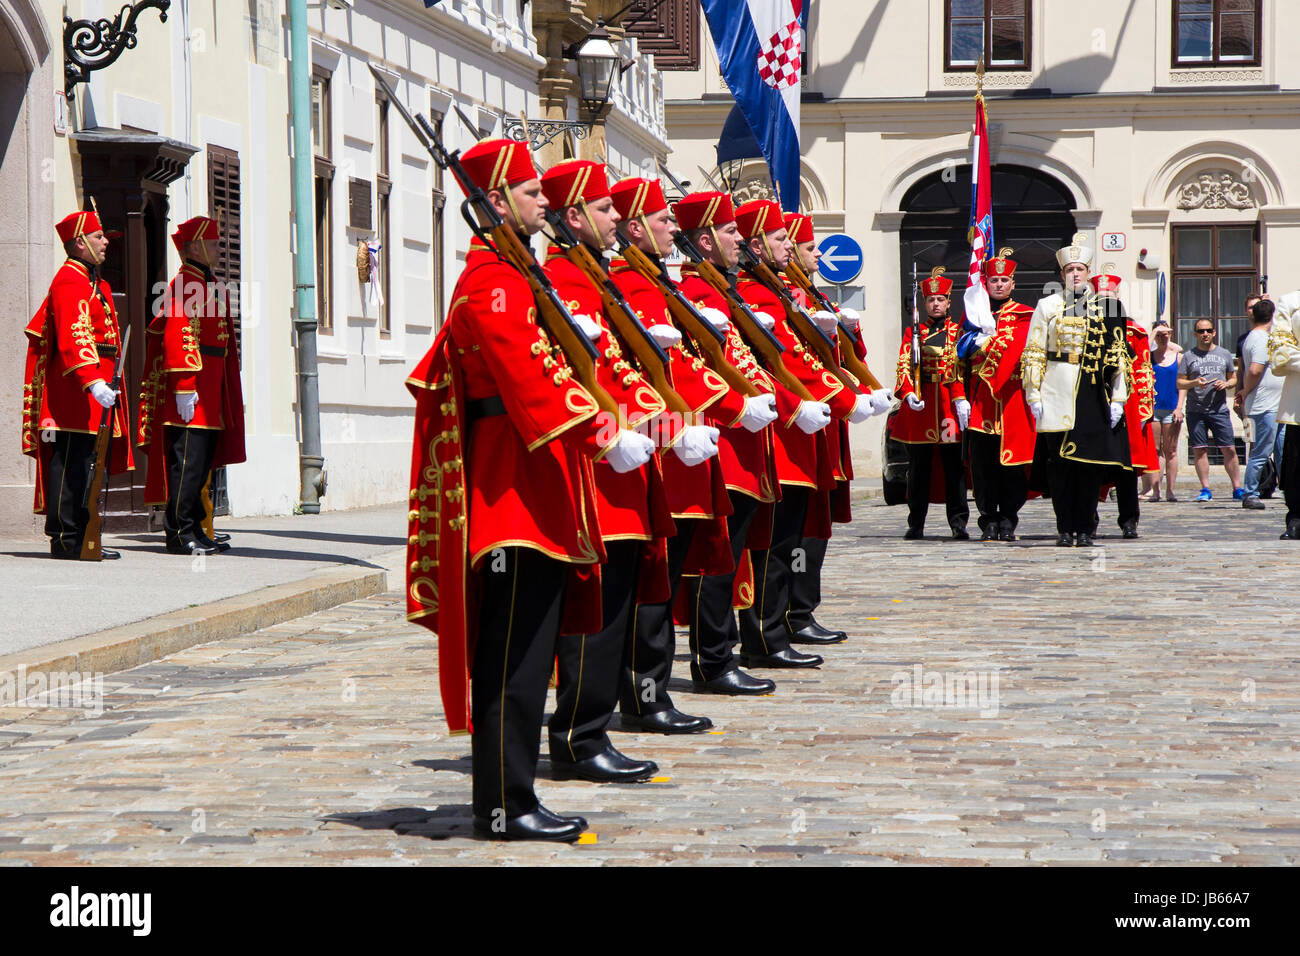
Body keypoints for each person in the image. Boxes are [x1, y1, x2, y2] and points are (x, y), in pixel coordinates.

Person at [404, 138, 656, 842]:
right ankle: (504, 804)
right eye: (532, 192)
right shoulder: (488, 281)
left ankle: (513, 797)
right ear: (493, 203)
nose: (546, 202)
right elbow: (527, 377)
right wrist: (603, 434)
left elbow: (566, 366)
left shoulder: (519, 274)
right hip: (508, 496)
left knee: (530, 652)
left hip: (538, 488)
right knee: (513, 659)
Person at [539, 159, 698, 783]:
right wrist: (623, 435)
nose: (617, 220)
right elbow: (580, 380)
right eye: (606, 210)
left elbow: (630, 375)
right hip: (597, 472)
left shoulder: (592, 277)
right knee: (596, 615)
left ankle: (593, 728)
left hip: (628, 465)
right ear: (574, 216)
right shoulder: (563, 279)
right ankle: (579, 737)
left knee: (619, 604)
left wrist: (669, 429)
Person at [606, 174, 742, 735]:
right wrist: (678, 427)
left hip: (677, 442)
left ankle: (653, 690)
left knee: (665, 576)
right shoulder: (628, 283)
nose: (671, 229)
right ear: (637, 227)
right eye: (663, 220)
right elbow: (635, 373)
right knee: (651, 582)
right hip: (656, 447)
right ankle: (645, 694)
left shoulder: (655, 280)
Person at [735, 198, 865, 668]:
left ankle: (785, 622)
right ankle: (767, 633)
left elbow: (828, 356)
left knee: (794, 534)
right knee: (772, 540)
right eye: (784, 240)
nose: (794, 250)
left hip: (808, 420)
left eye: (796, 243)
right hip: (782, 429)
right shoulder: (756, 291)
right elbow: (782, 362)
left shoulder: (789, 290)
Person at [672, 191, 784, 696]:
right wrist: (744, 406)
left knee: (725, 555)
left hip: (743, 441)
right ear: (704, 240)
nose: (741, 238)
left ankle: (719, 656)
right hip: (723, 442)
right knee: (713, 559)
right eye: (731, 231)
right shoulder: (697, 292)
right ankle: (712, 660)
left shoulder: (718, 289)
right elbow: (710, 365)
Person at [781, 209, 888, 641]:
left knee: (816, 527)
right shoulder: (787, 296)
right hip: (806, 425)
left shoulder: (812, 293)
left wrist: (846, 328)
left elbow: (846, 357)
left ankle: (802, 609)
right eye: (808, 247)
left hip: (828, 426)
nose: (816, 253)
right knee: (797, 532)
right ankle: (790, 614)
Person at [22, 209, 134, 559]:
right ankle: (65, 537)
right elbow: (75, 334)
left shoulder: (91, 281)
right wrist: (91, 381)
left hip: (93, 387)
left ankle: (82, 535)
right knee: (69, 461)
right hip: (75, 389)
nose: (106, 244)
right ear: (80, 243)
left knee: (86, 462)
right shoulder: (70, 280)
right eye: (100, 237)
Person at [136, 216, 246, 555]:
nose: (218, 248)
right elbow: (179, 333)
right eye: (213, 243)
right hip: (193, 388)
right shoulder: (185, 283)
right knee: (186, 463)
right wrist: (184, 385)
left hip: (211, 388)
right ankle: (178, 531)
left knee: (202, 463)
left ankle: (196, 526)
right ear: (195, 247)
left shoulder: (207, 282)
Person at [1021, 233, 1132, 547]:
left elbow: (1117, 354)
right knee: (1059, 468)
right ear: (1062, 275)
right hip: (1055, 387)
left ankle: (1085, 527)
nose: (1075, 274)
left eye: (1080, 269)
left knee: (1087, 467)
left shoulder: (1106, 307)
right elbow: (1034, 350)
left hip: (1092, 391)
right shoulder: (1048, 305)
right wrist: (1033, 393)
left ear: (1088, 272)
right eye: (1069, 270)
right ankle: (1064, 527)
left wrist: (1118, 397)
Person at [959, 248, 1036, 541]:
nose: (999, 285)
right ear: (985, 283)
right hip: (981, 402)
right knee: (983, 466)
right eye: (994, 280)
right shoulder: (974, 317)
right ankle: (987, 519)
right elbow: (958, 362)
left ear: (1013, 284)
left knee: (1013, 466)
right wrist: (959, 397)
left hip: (1012, 400)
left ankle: (1008, 519)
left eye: (1005, 280)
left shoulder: (1025, 316)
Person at [890, 267, 970, 540]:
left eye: (940, 299)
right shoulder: (914, 332)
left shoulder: (959, 331)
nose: (935, 304)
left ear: (948, 302)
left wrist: (962, 400)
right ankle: (916, 523)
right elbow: (903, 364)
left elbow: (963, 366)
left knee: (953, 470)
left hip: (948, 404)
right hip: (922, 407)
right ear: (924, 304)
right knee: (919, 471)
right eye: (930, 300)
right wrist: (907, 392)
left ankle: (958, 523)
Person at [1091, 267, 1156, 538]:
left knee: (1126, 468)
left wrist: (1144, 408)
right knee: (1090, 464)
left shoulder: (1134, 332)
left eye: (1110, 295)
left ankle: (1129, 520)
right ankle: (1087, 517)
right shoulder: (1086, 327)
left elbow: (1143, 371)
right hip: (1094, 401)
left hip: (1127, 406)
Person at [1178, 319, 1243, 501]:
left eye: (1208, 330)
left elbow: (1233, 378)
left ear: (1214, 332)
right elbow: (1180, 382)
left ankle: (1237, 488)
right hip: (1195, 410)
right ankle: (1205, 488)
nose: (1205, 334)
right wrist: (1194, 382)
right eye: (1201, 331)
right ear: (1195, 334)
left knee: (1229, 448)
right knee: (1200, 450)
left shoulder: (1223, 354)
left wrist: (1227, 383)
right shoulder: (1189, 356)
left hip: (1219, 409)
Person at [1236, 297, 1284, 509]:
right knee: (1261, 451)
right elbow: (1254, 370)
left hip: (1275, 404)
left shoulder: (1260, 337)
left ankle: (1289, 488)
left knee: (1283, 450)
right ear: (1271, 317)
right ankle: (1250, 492)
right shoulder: (1259, 339)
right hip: (1264, 406)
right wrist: (1246, 391)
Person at [1268, 292, 1300, 538]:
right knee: (1296, 467)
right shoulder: (1290, 302)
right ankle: (1297, 519)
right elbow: (1281, 353)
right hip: (1297, 402)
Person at [1144, 318, 1184, 502]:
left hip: (1171, 407)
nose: (1162, 338)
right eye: (1158, 335)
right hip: (1153, 408)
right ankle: (1156, 491)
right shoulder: (1148, 355)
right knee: (1155, 450)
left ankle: (1171, 491)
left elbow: (1182, 384)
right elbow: (1143, 347)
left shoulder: (1177, 355)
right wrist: (1155, 332)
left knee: (1171, 450)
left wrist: (1179, 407)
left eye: (1165, 334)